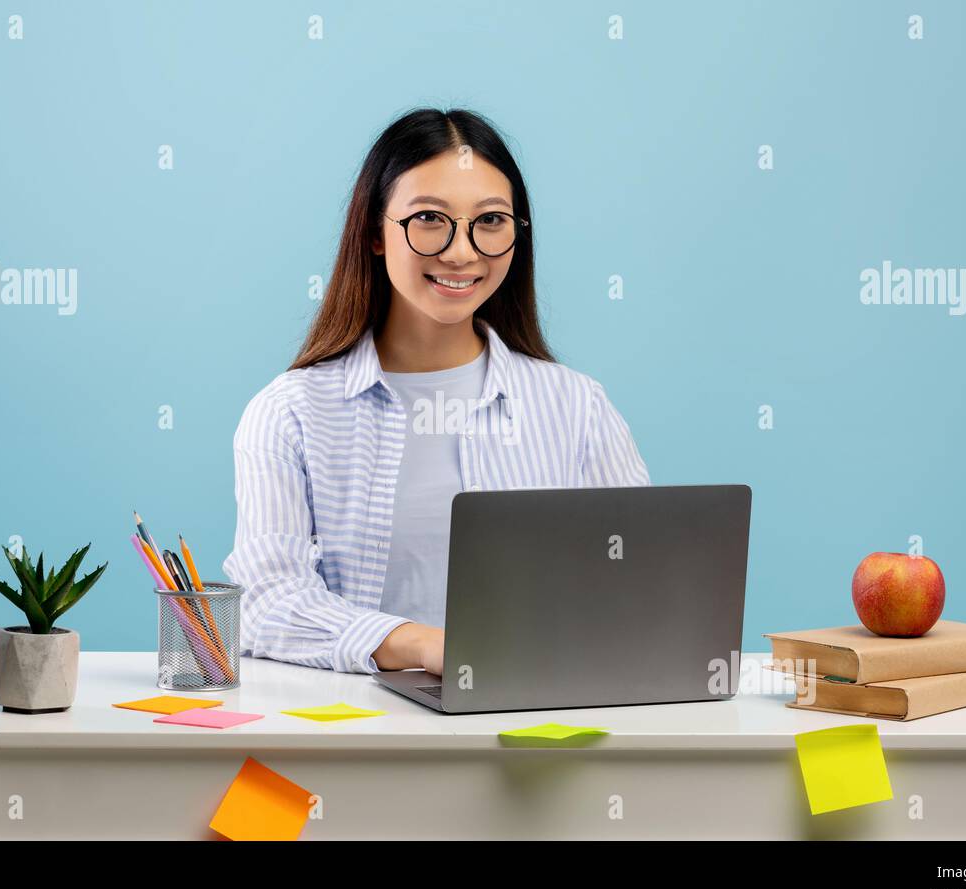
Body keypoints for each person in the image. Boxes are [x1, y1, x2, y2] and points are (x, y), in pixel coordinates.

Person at [222, 107, 650, 677]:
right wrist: (424, 645)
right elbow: (264, 602)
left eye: (491, 221)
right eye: (429, 217)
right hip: (353, 736)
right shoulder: (290, 412)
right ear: (376, 232)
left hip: (535, 720)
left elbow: (640, 582)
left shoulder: (577, 406)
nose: (462, 252)